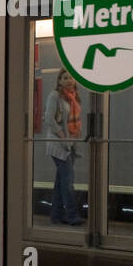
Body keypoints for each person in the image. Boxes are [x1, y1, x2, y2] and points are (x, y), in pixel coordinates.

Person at [44, 69, 84, 226]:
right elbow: (49, 119)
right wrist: (63, 136)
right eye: (65, 78)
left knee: (61, 181)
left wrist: (72, 141)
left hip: (70, 144)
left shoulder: (74, 97)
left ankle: (56, 215)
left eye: (71, 78)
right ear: (59, 81)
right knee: (68, 181)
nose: (69, 80)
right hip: (59, 144)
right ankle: (72, 215)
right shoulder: (55, 96)